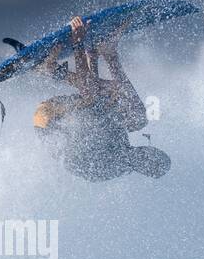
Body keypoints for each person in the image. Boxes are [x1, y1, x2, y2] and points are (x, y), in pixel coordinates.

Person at [31, 16, 171, 181]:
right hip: (72, 117)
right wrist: (92, 56)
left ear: (144, 167)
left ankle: (98, 54)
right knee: (138, 118)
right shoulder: (124, 154)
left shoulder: (110, 163)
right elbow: (99, 104)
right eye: (152, 151)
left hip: (48, 122)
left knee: (97, 103)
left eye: (149, 156)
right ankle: (104, 52)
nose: (147, 151)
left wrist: (78, 42)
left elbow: (91, 99)